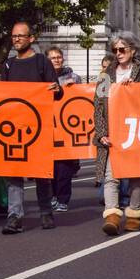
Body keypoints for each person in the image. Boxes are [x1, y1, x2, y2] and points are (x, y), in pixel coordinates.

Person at [0, 23, 59, 234]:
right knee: (14, 173)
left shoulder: (42, 61)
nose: (16, 40)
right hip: (13, 128)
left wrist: (55, 88)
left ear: (31, 38)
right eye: (14, 36)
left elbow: (57, 91)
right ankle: (14, 216)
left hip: (38, 127)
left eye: (21, 36)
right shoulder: (7, 65)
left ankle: (45, 212)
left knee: (41, 172)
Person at [94, 31, 140, 235]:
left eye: (122, 49)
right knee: (111, 176)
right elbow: (98, 106)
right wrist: (101, 133)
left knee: (136, 177)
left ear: (132, 50)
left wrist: (135, 89)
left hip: (136, 132)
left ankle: (134, 215)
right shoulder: (105, 76)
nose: (118, 53)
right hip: (113, 133)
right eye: (115, 50)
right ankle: (111, 215)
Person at [47, 47, 82, 212]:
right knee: (50, 166)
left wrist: (73, 88)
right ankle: (52, 196)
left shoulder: (74, 77)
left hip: (66, 128)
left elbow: (81, 97)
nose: (56, 60)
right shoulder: (42, 77)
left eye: (59, 57)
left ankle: (63, 199)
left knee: (64, 168)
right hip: (48, 128)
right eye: (52, 57)